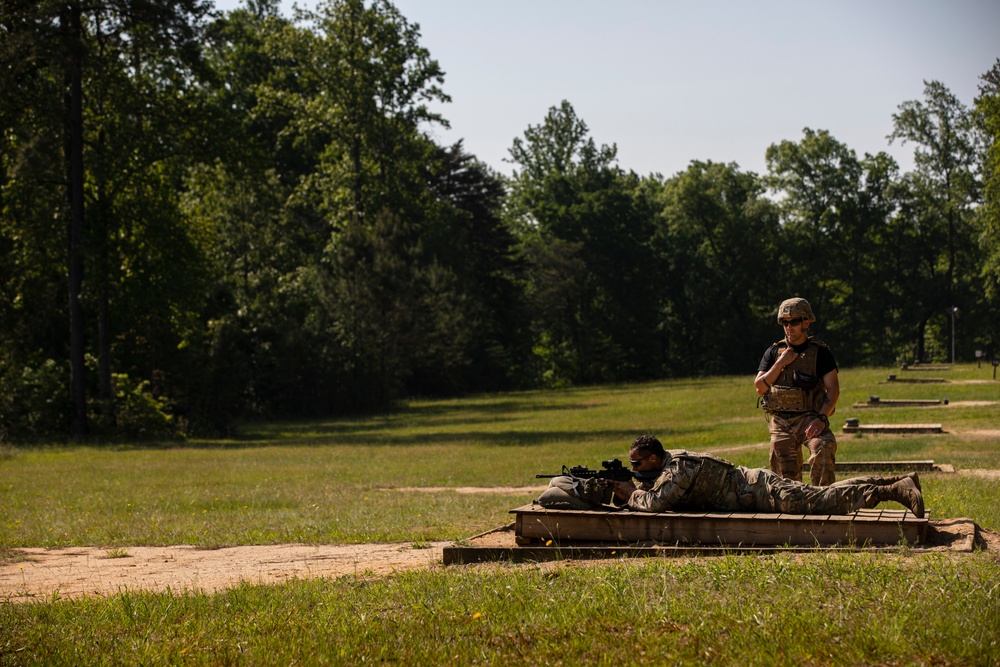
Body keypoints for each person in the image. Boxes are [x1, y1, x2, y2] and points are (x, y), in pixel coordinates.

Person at [607, 435, 924, 517]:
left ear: (652, 458)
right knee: (820, 496)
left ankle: (894, 492)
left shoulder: (678, 468)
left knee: (820, 502)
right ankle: (895, 483)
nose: (634, 469)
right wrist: (635, 484)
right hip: (754, 488)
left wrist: (629, 492)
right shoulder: (665, 465)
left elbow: (657, 502)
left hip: (760, 490)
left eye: (636, 464)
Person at [754, 297, 840, 486]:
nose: (788, 326)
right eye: (784, 322)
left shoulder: (820, 353)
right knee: (785, 480)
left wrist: (821, 418)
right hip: (781, 423)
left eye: (793, 322)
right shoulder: (773, 353)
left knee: (823, 447)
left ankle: (823, 500)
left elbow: (833, 389)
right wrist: (781, 363)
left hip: (810, 419)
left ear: (806, 323)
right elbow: (760, 387)